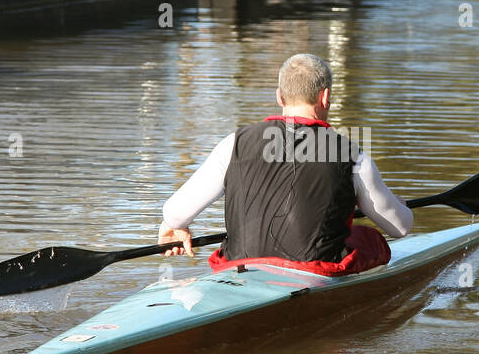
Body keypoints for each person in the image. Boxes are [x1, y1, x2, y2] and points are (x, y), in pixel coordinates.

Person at [158, 54, 412, 275]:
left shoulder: (233, 143)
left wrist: (175, 226)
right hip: (316, 270)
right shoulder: (351, 154)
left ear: (279, 96)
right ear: (325, 97)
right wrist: (391, 202)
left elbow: (174, 213)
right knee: (369, 238)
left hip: (240, 264)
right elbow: (400, 228)